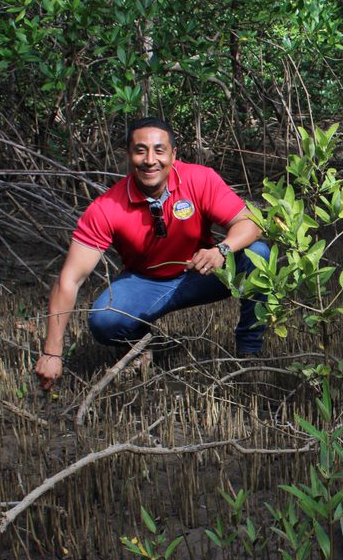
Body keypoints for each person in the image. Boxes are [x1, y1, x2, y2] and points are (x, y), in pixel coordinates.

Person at [34, 117, 267, 389]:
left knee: (258, 254)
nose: (150, 160)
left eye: (159, 150)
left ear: (173, 154)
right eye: (140, 150)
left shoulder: (200, 179)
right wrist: (52, 353)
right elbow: (69, 280)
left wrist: (221, 249)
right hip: (147, 284)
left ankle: (249, 349)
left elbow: (251, 223)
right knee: (104, 321)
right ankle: (142, 344)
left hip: (202, 273)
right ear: (128, 154)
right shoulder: (106, 207)